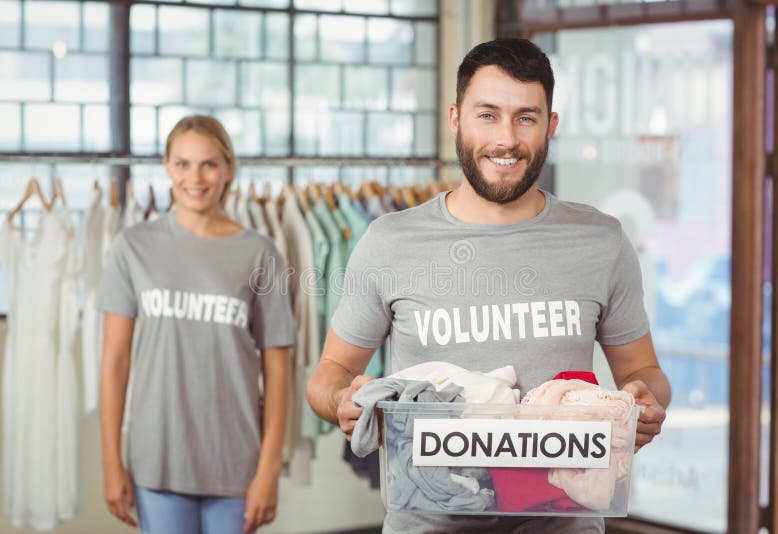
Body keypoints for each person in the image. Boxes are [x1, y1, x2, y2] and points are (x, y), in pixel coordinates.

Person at [306, 38, 670, 533]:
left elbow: (645, 371)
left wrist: (646, 400)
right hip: (429, 521)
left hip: (562, 522)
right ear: (455, 118)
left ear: (551, 126)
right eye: (488, 115)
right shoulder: (390, 241)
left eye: (526, 117)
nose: (506, 139)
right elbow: (327, 375)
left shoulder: (600, 240)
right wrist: (343, 402)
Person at [99, 115, 295, 534]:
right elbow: (114, 362)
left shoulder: (261, 255)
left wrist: (268, 471)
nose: (196, 177)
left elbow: (278, 372)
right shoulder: (132, 247)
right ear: (167, 166)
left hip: (236, 466)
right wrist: (112, 461)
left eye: (208, 164)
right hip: (158, 462)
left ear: (227, 168)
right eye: (183, 163)